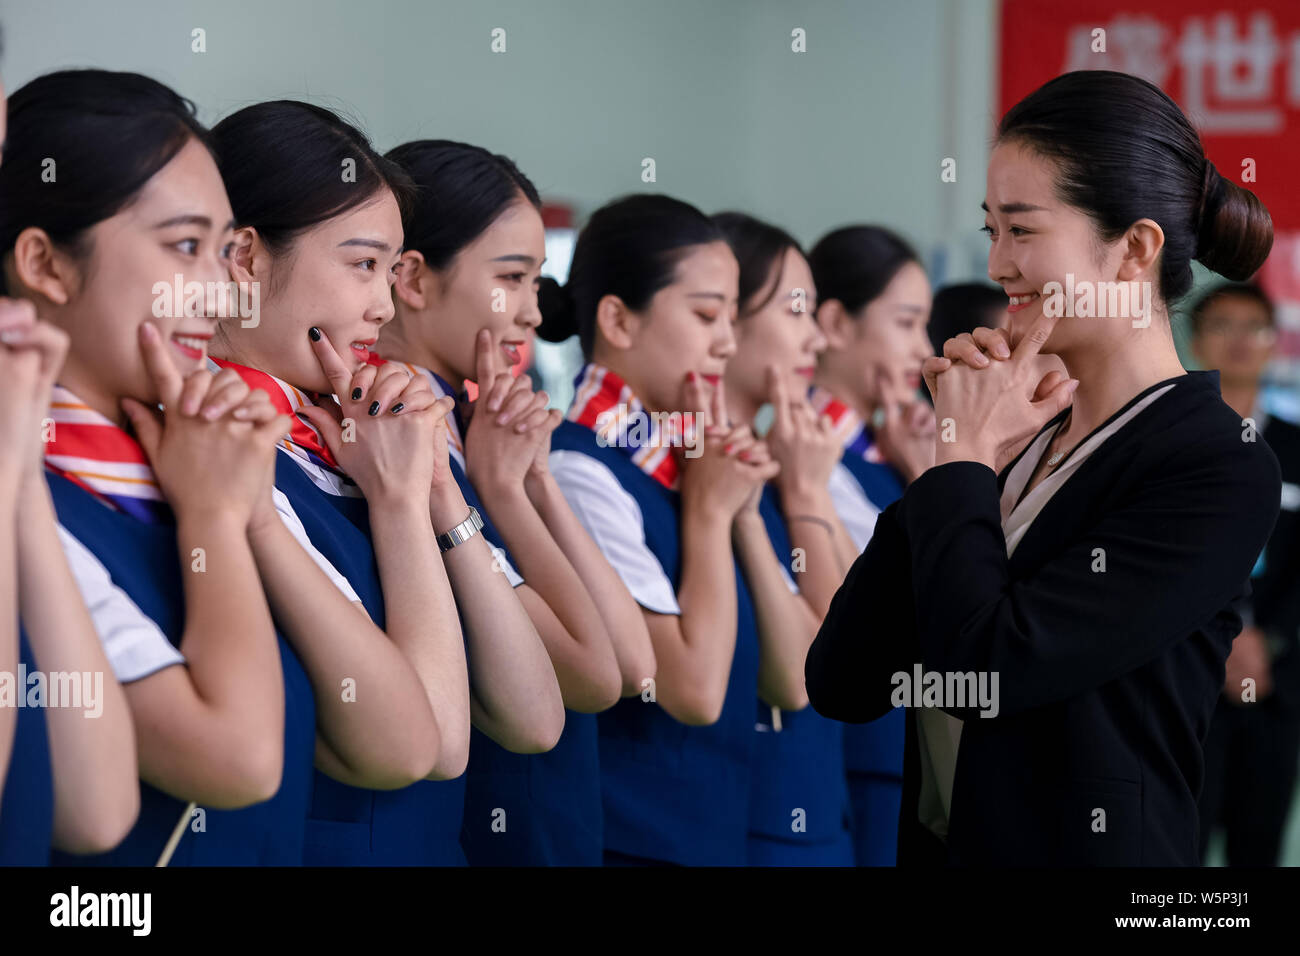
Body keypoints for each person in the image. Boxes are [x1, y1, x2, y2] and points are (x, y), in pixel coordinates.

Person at [806, 69, 1282, 866]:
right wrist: (961, 456)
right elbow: (845, 680)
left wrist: (961, 457)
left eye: (1023, 231)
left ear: (1134, 249)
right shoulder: (1014, 430)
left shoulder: (1214, 463)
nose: (998, 264)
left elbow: (990, 665)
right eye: (991, 230)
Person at [0, 69, 357, 865]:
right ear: (47, 264)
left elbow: (404, 733)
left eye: (224, 253)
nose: (220, 293)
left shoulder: (197, 457)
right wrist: (214, 520)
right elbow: (236, 759)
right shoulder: (41, 490)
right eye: (185, 247)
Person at [208, 102, 564, 865]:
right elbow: (426, 745)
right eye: (362, 264)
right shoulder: (220, 452)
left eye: (389, 268)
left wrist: (438, 488)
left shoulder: (356, 437)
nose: (381, 304)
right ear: (245, 258)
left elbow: (535, 714)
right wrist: (402, 503)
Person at [376, 140, 652, 865]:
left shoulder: (477, 431)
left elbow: (631, 662)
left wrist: (531, 482)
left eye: (538, 282)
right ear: (412, 278)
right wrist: (505, 488)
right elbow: (595, 675)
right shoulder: (398, 442)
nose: (532, 312)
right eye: (512, 278)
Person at [537, 194, 778, 865]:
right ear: (618, 318)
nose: (727, 342)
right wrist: (707, 512)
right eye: (706, 315)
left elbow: (788, 677)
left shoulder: (684, 459)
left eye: (732, 317)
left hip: (707, 837)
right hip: (633, 843)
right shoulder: (578, 467)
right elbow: (693, 689)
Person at [713, 211, 857, 865]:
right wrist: (804, 493)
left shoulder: (778, 461)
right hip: (751, 826)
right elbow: (812, 670)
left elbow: (860, 621)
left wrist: (805, 489)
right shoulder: (705, 472)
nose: (815, 339)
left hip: (818, 813)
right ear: (724, 318)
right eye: (796, 311)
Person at [806, 224, 935, 865]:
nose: (924, 347)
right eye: (907, 323)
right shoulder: (807, 456)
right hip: (858, 754)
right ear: (833, 322)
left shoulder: (886, 450)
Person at [1190, 282, 1300, 866]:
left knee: (1259, 844)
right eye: (1221, 325)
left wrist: (1269, 638)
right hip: (1189, 677)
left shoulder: (1296, 447)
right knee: (1178, 841)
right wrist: (1222, 638)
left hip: (1277, 678)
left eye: (1252, 328)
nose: (1238, 341)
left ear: (1272, 343)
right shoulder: (1173, 442)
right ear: (1193, 340)